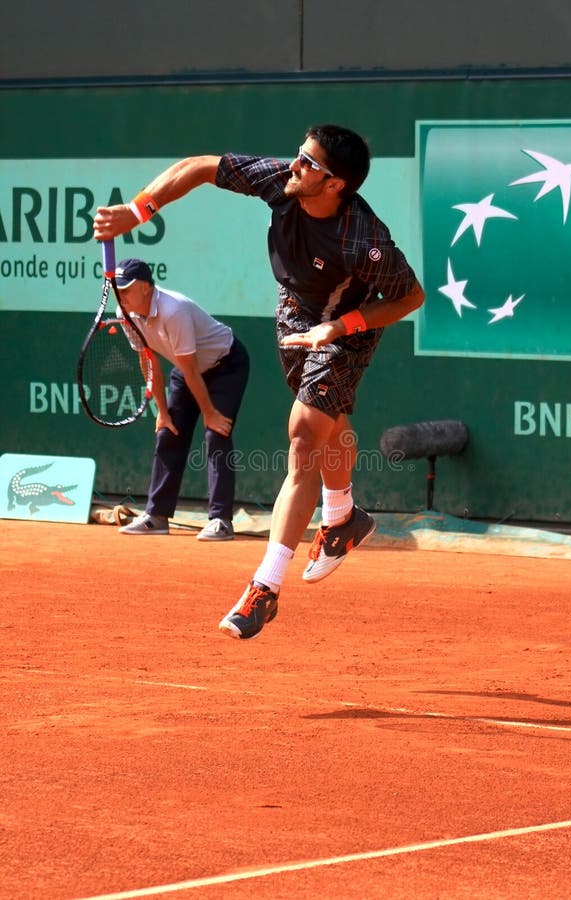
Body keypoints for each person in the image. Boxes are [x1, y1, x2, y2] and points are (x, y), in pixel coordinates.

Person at [94, 124, 425, 639]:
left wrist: (341, 327)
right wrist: (137, 210)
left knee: (302, 434)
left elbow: (410, 297)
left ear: (336, 184)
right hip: (293, 314)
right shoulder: (282, 182)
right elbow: (202, 167)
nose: (295, 165)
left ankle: (264, 589)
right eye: (299, 155)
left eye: (309, 164)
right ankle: (342, 516)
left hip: (346, 327)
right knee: (329, 426)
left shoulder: (364, 240)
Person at [112, 258, 250, 541]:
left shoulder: (173, 310)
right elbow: (148, 360)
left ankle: (221, 520)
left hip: (226, 365)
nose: (120, 295)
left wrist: (210, 413)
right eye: (118, 289)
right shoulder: (124, 312)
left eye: (126, 288)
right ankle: (156, 516)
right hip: (187, 370)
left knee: (216, 433)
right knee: (168, 431)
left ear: (147, 288)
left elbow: (190, 368)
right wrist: (162, 412)